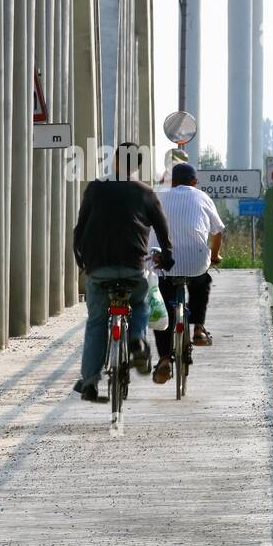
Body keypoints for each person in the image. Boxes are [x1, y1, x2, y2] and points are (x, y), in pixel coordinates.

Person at [73, 143, 174, 403]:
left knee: (97, 321)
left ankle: (90, 384)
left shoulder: (95, 189)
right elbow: (163, 231)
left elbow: (79, 230)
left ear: (115, 161)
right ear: (137, 166)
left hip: (98, 267)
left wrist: (81, 260)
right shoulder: (146, 193)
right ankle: (138, 340)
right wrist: (168, 257)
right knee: (138, 302)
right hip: (132, 266)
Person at [151, 162, 224, 384]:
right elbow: (218, 230)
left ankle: (164, 359)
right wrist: (214, 255)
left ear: (172, 182)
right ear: (194, 181)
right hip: (195, 260)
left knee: (163, 308)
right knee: (202, 281)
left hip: (165, 261)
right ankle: (199, 328)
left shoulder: (159, 197)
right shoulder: (202, 197)